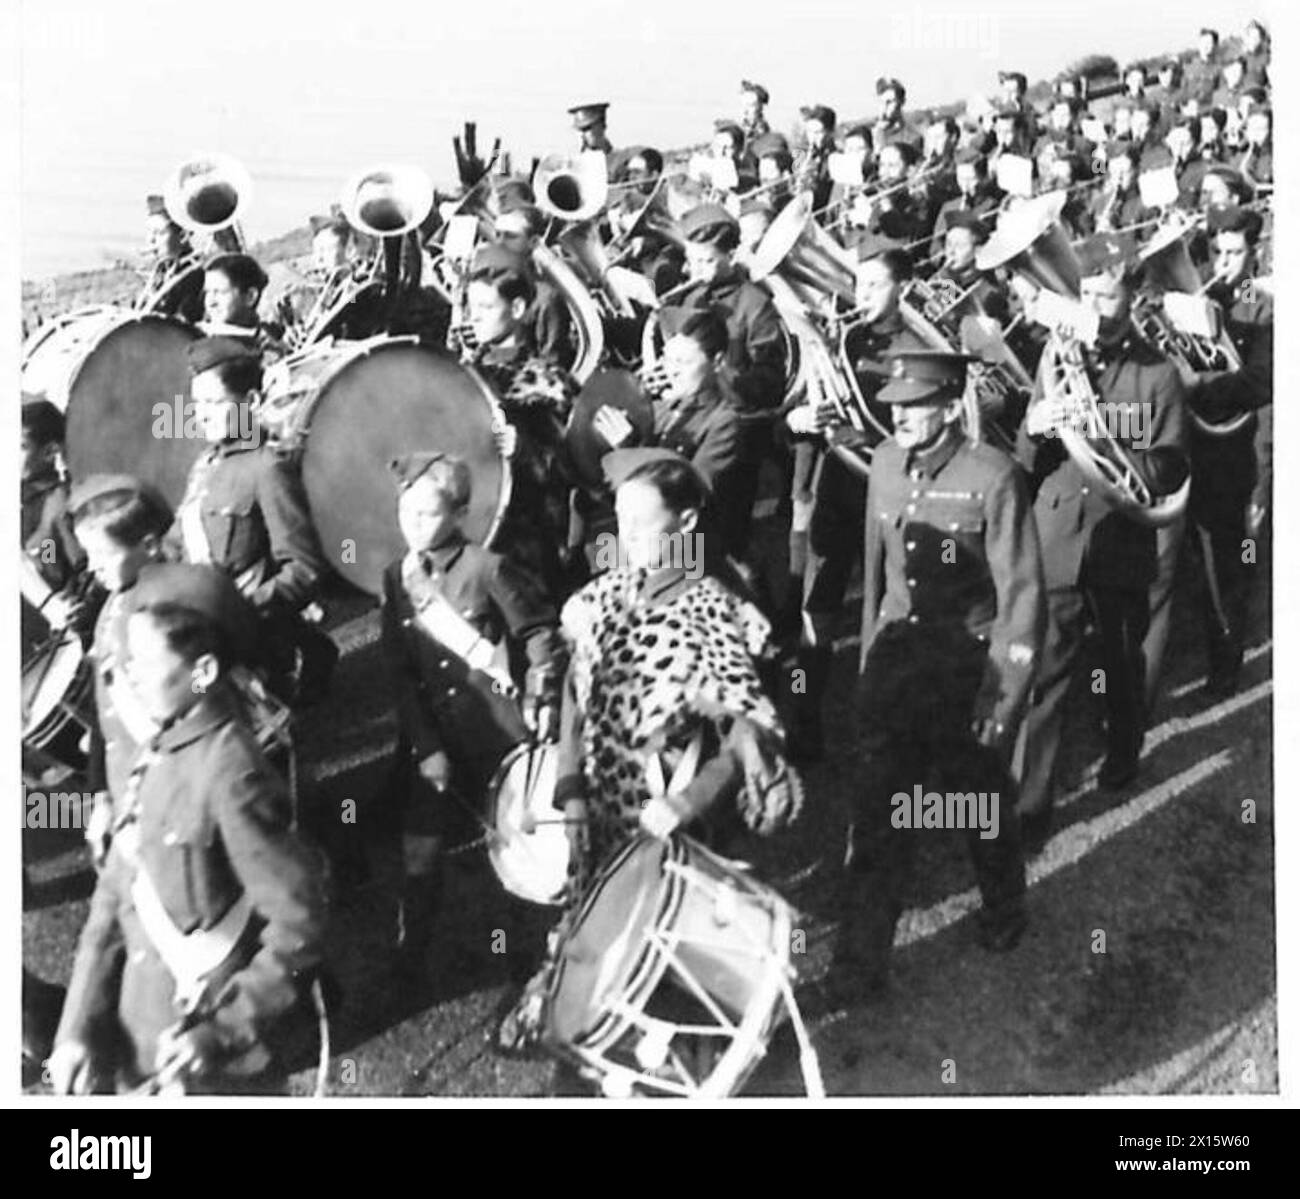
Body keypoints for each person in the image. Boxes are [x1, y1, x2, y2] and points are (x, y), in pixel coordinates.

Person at [497, 449, 803, 1054]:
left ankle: (740, 1035)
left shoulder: (710, 609)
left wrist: (687, 804)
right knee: (608, 945)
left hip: (670, 823)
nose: (628, 536)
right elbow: (575, 699)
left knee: (686, 951)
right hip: (600, 814)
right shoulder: (599, 599)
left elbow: (749, 734)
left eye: (644, 523)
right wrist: (570, 790)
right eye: (621, 521)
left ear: (685, 523)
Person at [50, 564, 327, 1095]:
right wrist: (76, 1028)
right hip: (140, 1035)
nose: (127, 675)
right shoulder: (154, 749)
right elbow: (113, 897)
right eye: (127, 659)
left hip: (207, 1051)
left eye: (144, 661)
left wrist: (224, 1030)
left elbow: (300, 919)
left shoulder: (230, 770)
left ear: (202, 672)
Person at [827, 350, 1044, 1000]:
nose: (899, 416)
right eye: (894, 405)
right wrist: (869, 666)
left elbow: (1022, 594)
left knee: (977, 803)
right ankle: (859, 965)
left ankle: (1004, 905)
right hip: (898, 671)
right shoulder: (884, 463)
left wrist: (1001, 699)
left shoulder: (994, 475)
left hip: (965, 674)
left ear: (950, 407)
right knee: (878, 816)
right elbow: (878, 578)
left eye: (915, 404)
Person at [1014, 235, 1189, 835]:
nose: (1093, 306)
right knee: (1045, 672)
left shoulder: (1157, 371)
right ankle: (1032, 803)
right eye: (1085, 293)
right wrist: (1037, 424)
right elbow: (1027, 458)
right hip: (1059, 532)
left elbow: (1172, 465)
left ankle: (1122, 751)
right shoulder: (1057, 357)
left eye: (1107, 295)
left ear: (1131, 298)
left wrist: (1110, 453)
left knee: (1119, 659)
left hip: (1121, 536)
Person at [379, 452, 566, 973]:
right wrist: (426, 748)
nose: (413, 524)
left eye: (428, 514)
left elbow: (539, 634)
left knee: (512, 846)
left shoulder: (489, 568)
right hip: (434, 741)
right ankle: (410, 960)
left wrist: (541, 696)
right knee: (419, 849)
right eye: (406, 512)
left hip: (496, 735)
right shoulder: (397, 578)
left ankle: (530, 957)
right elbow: (400, 671)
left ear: (460, 514)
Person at [784, 249, 928, 760]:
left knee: (888, 612)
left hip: (888, 489)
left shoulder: (921, 347)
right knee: (816, 609)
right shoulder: (846, 339)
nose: (860, 297)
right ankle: (803, 717)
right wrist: (802, 418)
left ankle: (885, 728)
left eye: (874, 286)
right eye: (858, 285)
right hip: (838, 485)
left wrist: (866, 434)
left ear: (902, 289)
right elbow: (801, 402)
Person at [165, 337, 335, 707]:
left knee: (202, 708)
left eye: (214, 403)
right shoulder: (205, 466)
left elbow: (304, 570)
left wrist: (239, 610)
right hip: (208, 632)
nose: (201, 415)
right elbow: (176, 544)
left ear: (252, 402)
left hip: (254, 646)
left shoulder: (267, 469)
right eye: (197, 404)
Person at [1170, 205, 1272, 695]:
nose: (1223, 264)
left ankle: (1225, 663)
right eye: (1217, 252)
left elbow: (1263, 380)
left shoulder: (1262, 307)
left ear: (1254, 253)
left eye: (1234, 253)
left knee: (1227, 564)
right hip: (1188, 445)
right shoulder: (1197, 298)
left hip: (1233, 455)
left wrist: (1199, 384)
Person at [68, 475, 174, 867]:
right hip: (132, 778)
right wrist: (100, 796)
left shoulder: (188, 596)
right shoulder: (109, 613)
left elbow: (215, 676)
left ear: (149, 545)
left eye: (103, 554)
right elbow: (105, 714)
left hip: (185, 773)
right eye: (88, 555)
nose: (93, 567)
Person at [462, 248, 580, 596]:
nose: (473, 317)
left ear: (516, 309)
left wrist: (526, 451)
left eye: (485, 307)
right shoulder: (464, 373)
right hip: (472, 524)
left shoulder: (548, 382)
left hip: (527, 541)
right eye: (471, 307)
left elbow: (576, 471)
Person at [593, 308, 751, 557]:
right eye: (668, 359)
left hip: (691, 553)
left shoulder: (725, 422)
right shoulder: (660, 409)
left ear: (717, 362)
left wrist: (630, 449)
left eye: (684, 362)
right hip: (642, 541)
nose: (672, 370)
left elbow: (692, 493)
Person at [20, 397, 87, 645]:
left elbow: (55, 562)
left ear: (50, 452)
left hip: (45, 626)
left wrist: (42, 555)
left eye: (21, 447)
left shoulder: (58, 503)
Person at [491, 202, 576, 369]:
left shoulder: (546, 299)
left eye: (510, 236)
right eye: (497, 235)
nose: (499, 243)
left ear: (534, 242)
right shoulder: (486, 282)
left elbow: (551, 365)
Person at [202, 252, 286, 361]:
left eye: (219, 292)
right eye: (207, 292)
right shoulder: (213, 351)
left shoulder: (267, 333)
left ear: (250, 297)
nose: (211, 302)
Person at [139, 194, 204, 322]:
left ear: (183, 236)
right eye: (149, 232)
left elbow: (184, 324)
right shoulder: (162, 269)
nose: (151, 240)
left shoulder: (194, 275)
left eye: (159, 233)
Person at [795, 104, 837, 212]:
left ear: (830, 133)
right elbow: (793, 178)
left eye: (818, 132)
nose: (812, 137)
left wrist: (816, 180)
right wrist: (798, 178)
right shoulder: (800, 152)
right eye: (809, 131)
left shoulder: (836, 156)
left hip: (824, 206)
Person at [872, 78, 923, 155]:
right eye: (881, 102)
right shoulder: (867, 137)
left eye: (889, 102)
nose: (884, 107)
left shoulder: (913, 138)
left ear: (902, 102)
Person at [739, 79, 772, 153]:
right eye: (744, 105)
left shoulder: (761, 131)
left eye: (751, 106)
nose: (745, 110)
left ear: (760, 107)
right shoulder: (742, 128)